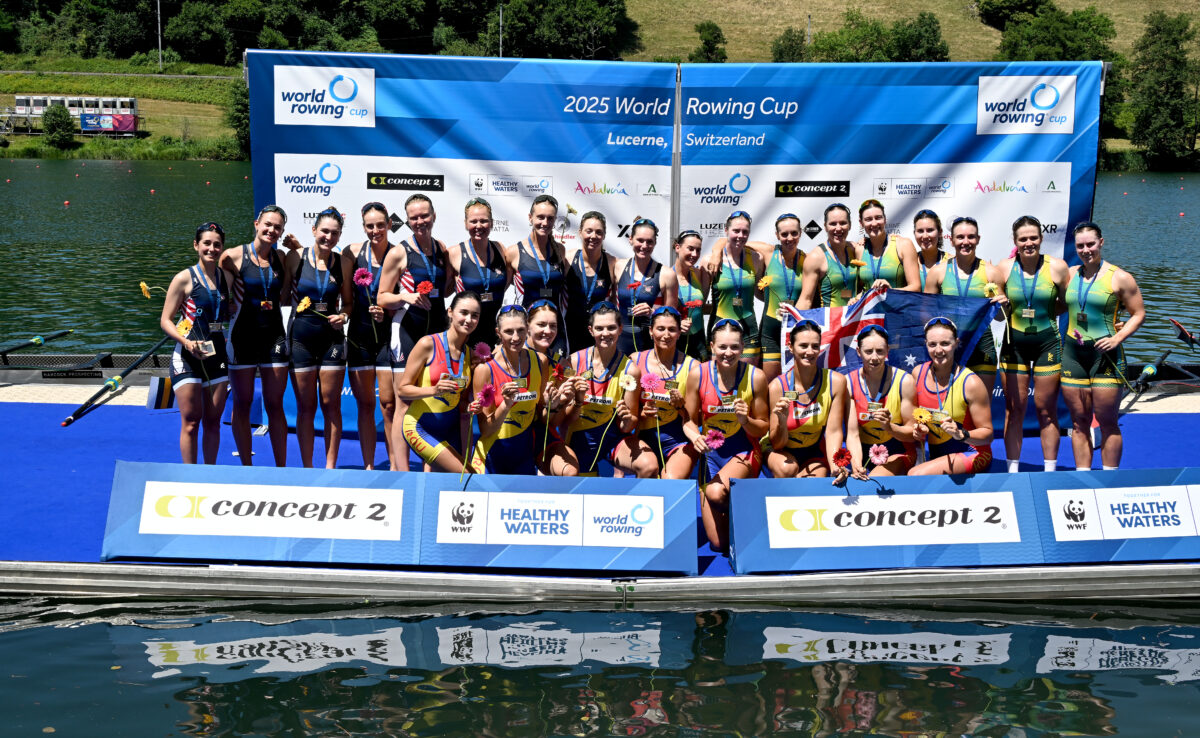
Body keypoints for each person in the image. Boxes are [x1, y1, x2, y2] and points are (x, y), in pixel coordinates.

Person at [376, 193, 452, 471]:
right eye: (414, 217)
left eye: (424, 216)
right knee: (404, 403)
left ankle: (430, 467)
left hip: (436, 334)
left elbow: (445, 290)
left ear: (434, 216)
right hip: (409, 332)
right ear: (407, 221)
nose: (420, 221)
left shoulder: (441, 248)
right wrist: (405, 297)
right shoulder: (399, 252)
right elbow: (382, 297)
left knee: (432, 402)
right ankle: (402, 470)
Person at [1062, 222, 1145, 470]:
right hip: (1073, 355)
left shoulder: (1119, 277)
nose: (1086, 250)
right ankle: (1084, 477)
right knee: (1078, 422)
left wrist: (1117, 338)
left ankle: (1110, 480)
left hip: (1105, 356)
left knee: (1108, 421)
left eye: (1091, 244)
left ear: (1101, 243)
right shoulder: (1070, 274)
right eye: (1080, 245)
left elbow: (1139, 314)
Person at [684, 319, 769, 552]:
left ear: (742, 348)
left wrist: (746, 420)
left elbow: (763, 427)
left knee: (715, 491)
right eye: (722, 347)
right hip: (711, 455)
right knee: (719, 544)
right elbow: (688, 420)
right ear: (712, 346)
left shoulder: (756, 377)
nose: (728, 353)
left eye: (734, 347)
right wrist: (694, 437)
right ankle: (743, 514)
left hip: (744, 450)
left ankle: (751, 515)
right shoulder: (697, 374)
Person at [547, 303, 659, 478]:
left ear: (620, 329)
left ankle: (637, 506)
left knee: (649, 466)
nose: (605, 333)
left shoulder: (630, 370)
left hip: (612, 439)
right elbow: (562, 420)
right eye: (599, 328)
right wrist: (575, 401)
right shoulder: (574, 362)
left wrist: (626, 418)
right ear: (591, 330)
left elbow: (629, 425)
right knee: (580, 491)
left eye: (611, 328)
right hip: (578, 438)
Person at [998, 215, 1070, 472]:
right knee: (1014, 410)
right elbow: (997, 315)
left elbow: (1067, 303)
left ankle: (1049, 470)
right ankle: (1012, 470)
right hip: (1014, 346)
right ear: (1015, 241)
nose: (1029, 243)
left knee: (1047, 410)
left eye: (1033, 238)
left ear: (1041, 238)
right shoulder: (1003, 269)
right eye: (1023, 239)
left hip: (1047, 344)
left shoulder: (1058, 267)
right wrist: (1002, 307)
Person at [220, 204, 290, 466]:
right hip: (242, 338)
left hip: (274, 338)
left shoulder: (281, 258)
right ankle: (247, 468)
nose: (272, 230)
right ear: (256, 224)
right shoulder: (232, 256)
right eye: (268, 224)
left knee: (275, 404)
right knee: (243, 402)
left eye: (277, 227)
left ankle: (281, 468)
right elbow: (218, 288)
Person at [161, 222, 234, 464]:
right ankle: (189, 475)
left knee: (213, 422)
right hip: (188, 356)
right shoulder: (183, 278)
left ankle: (208, 474)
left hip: (217, 357)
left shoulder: (227, 279)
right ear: (196, 245)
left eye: (217, 244)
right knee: (191, 422)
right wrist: (186, 341)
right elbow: (165, 320)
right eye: (206, 243)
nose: (212, 248)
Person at [282, 207, 347, 469]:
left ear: (340, 235)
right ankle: (308, 468)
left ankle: (330, 466)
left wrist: (343, 316)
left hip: (332, 340)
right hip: (301, 339)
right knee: (306, 408)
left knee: (331, 405)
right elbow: (283, 294)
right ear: (313, 231)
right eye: (324, 231)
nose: (328, 237)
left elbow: (349, 305)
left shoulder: (343, 261)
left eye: (334, 233)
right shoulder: (295, 257)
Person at [397, 292, 482, 473]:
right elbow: (402, 390)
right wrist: (433, 390)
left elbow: (462, 401)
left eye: (475, 315)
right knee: (466, 475)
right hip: (420, 426)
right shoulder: (428, 343)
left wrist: (471, 406)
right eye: (464, 313)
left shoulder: (469, 355)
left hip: (450, 429)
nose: (469, 319)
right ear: (450, 312)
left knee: (446, 485)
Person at [341, 202, 396, 470]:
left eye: (380, 225)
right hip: (360, 337)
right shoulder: (351, 253)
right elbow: (348, 303)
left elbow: (403, 299)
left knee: (388, 405)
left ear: (389, 225)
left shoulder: (399, 254)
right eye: (370, 226)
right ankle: (369, 466)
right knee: (365, 405)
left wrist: (386, 311)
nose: (375, 230)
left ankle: (397, 464)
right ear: (363, 227)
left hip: (387, 338)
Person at [924, 216, 1004, 393]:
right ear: (951, 240)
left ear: (978, 239)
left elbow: (1000, 318)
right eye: (960, 237)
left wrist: (1003, 306)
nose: (965, 242)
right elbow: (926, 313)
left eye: (971, 237)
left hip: (982, 346)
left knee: (981, 408)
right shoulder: (938, 272)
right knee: (949, 409)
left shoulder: (991, 272)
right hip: (947, 348)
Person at [909, 317, 995, 476]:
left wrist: (961, 434)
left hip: (973, 453)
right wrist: (918, 428)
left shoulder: (971, 383)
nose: (938, 350)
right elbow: (914, 417)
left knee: (916, 475)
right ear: (926, 344)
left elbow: (988, 434)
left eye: (945, 344)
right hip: (940, 455)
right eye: (932, 344)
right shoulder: (917, 373)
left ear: (956, 343)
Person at [470, 305, 550, 475]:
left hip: (523, 458)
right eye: (508, 331)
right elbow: (485, 429)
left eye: (521, 330)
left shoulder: (540, 361)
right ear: (498, 333)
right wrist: (506, 405)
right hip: (490, 459)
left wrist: (554, 405)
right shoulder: (485, 369)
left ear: (528, 329)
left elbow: (541, 413)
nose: (515, 337)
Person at [765, 320, 849, 480]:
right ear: (791, 347)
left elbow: (833, 431)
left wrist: (836, 465)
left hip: (813, 450)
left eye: (815, 346)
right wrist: (782, 421)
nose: (809, 352)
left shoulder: (836, 382)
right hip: (780, 450)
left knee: (816, 480)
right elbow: (777, 444)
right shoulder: (777, 387)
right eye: (803, 346)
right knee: (787, 469)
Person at [632, 306, 701, 480]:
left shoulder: (693, 367)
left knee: (670, 480)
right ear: (650, 331)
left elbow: (695, 420)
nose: (666, 335)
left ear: (679, 333)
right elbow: (624, 413)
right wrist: (641, 413)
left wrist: (681, 408)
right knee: (647, 474)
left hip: (679, 440)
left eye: (672, 329)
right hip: (643, 439)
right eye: (660, 329)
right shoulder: (635, 361)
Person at [844, 326, 917, 478]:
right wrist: (857, 465)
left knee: (876, 478)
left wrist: (889, 427)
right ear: (858, 352)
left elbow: (912, 434)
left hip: (898, 450)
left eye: (880, 351)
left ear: (887, 350)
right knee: (851, 477)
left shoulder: (904, 381)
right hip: (862, 451)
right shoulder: (848, 383)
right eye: (868, 351)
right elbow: (852, 433)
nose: (874, 357)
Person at [507, 194, 569, 360]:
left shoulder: (561, 251)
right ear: (530, 217)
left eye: (550, 218)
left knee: (557, 376)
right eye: (540, 217)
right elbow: (499, 290)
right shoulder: (514, 252)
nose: (545, 223)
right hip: (525, 328)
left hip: (555, 330)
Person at [706, 211, 765, 366]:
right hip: (719, 323)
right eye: (736, 231)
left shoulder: (756, 258)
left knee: (748, 378)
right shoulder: (711, 260)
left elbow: (759, 292)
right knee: (718, 378)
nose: (740, 235)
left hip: (748, 326)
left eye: (745, 232)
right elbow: (701, 298)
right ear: (726, 231)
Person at [450, 197, 510, 347]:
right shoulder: (454, 253)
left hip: (496, 331)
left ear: (492, 223)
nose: (479, 226)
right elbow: (445, 291)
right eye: (473, 221)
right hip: (467, 331)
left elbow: (505, 283)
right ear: (465, 223)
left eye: (483, 221)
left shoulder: (500, 249)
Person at [615, 218, 678, 355]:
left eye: (649, 242)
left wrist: (653, 313)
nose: (644, 246)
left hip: (649, 344)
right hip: (620, 341)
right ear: (630, 239)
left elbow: (672, 318)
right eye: (640, 240)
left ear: (655, 243)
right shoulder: (618, 266)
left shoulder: (666, 274)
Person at [759, 214, 805, 382]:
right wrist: (715, 251)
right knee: (770, 383)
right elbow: (734, 240)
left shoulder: (807, 259)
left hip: (796, 329)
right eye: (784, 234)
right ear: (777, 235)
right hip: (770, 329)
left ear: (801, 233)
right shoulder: (768, 252)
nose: (789, 238)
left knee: (796, 381)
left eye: (794, 233)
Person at [564, 211, 617, 352]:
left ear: (604, 235)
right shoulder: (568, 259)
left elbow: (615, 300)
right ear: (580, 232)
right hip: (569, 332)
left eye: (599, 232)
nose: (593, 236)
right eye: (589, 231)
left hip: (599, 333)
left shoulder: (611, 263)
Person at [798, 203, 857, 309]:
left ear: (850, 225)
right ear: (825, 226)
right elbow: (806, 300)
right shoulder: (816, 257)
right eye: (833, 224)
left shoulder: (856, 249)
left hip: (855, 321)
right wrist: (794, 323)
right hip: (829, 322)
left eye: (843, 223)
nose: (838, 228)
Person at [855, 199, 919, 292]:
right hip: (870, 307)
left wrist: (891, 291)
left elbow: (916, 287)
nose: (874, 223)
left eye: (878, 218)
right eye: (868, 219)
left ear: (885, 220)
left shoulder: (903, 245)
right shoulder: (860, 249)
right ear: (861, 223)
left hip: (896, 306)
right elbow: (861, 289)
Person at [672, 229, 710, 361]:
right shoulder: (666, 275)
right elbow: (659, 311)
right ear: (677, 247)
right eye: (690, 248)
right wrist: (676, 323)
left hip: (699, 341)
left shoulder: (699, 273)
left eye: (698, 250)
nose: (694, 254)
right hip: (675, 341)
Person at [912, 209, 948, 291]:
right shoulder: (908, 263)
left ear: (940, 232)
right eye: (920, 231)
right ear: (914, 233)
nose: (925, 236)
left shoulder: (951, 262)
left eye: (930, 230)